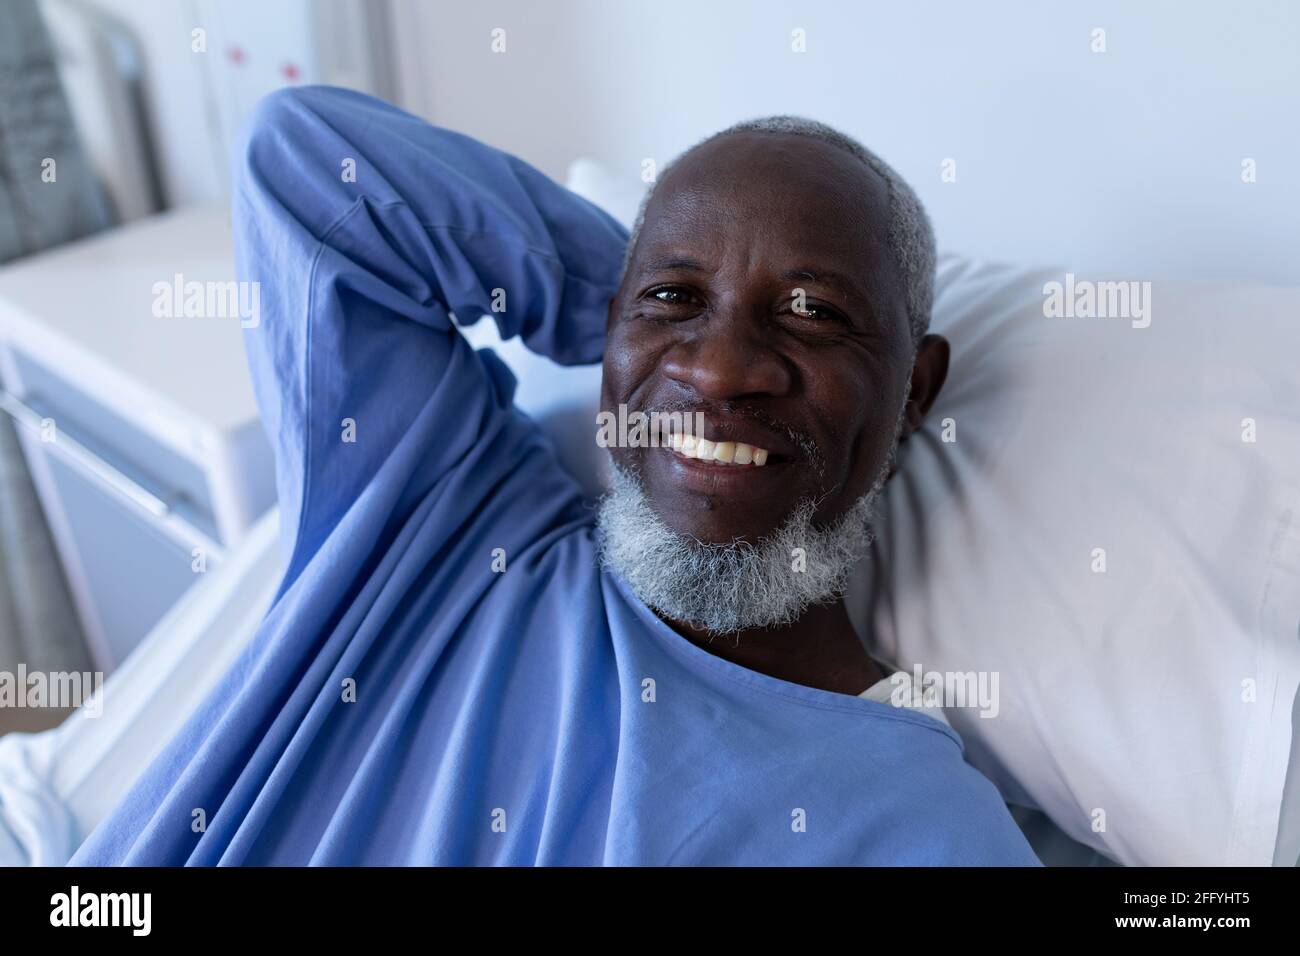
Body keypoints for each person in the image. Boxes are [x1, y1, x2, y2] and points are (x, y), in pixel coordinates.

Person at [72, 86, 1039, 865]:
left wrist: (664, 333)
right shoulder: (447, 518)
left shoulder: (918, 824)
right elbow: (308, 156)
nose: (720, 368)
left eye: (812, 313)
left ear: (915, 389)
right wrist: (629, 332)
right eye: (672, 295)